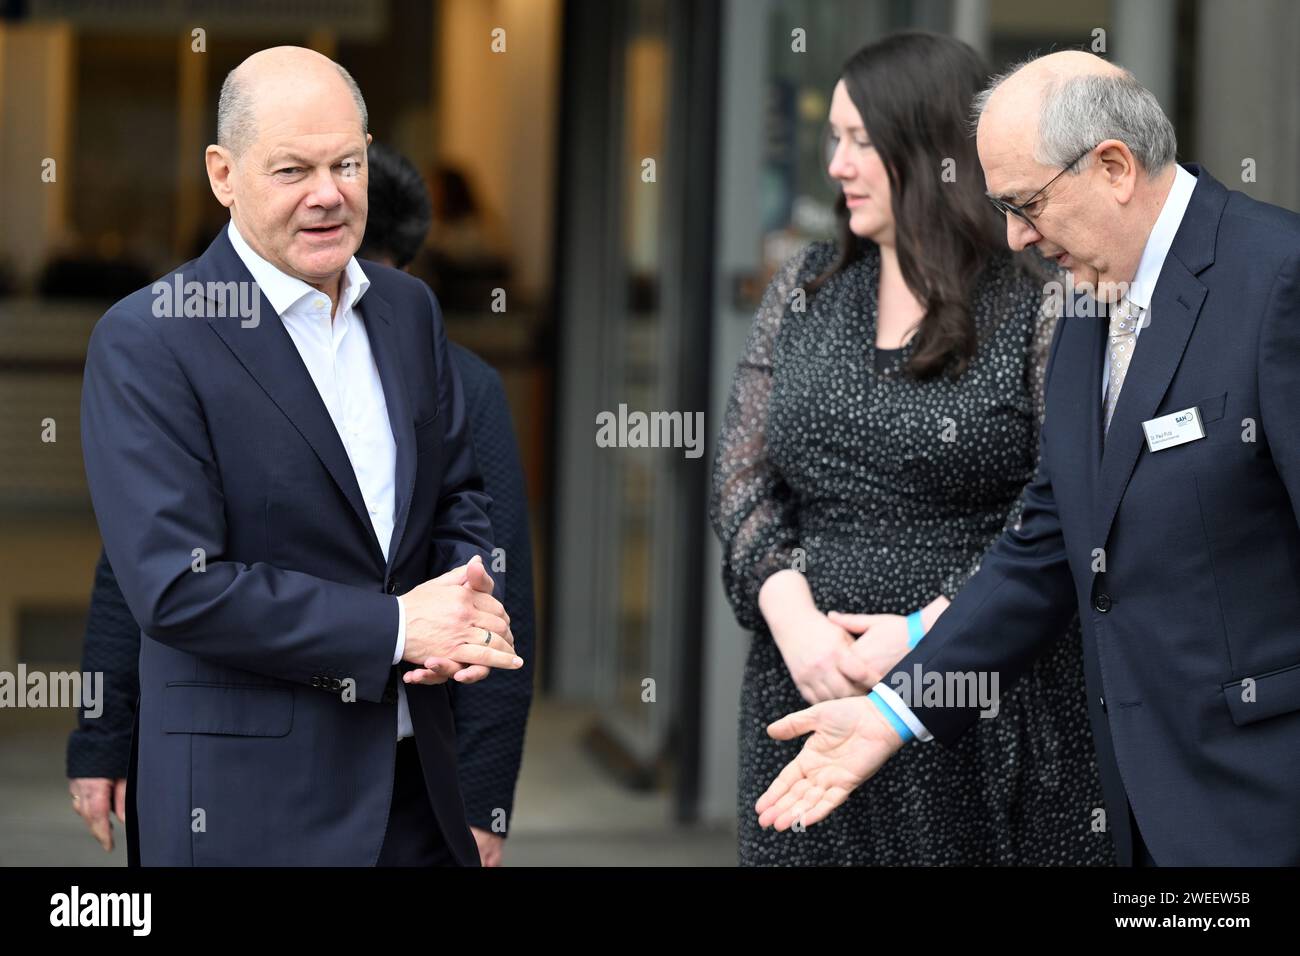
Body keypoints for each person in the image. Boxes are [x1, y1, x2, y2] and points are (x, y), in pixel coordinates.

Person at [757, 50, 1300, 867]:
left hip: (1264, 805)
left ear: (1113, 166)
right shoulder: (1088, 300)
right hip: (1137, 813)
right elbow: (1045, 543)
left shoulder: (1277, 279)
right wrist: (893, 713)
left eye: (1026, 203)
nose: (1017, 235)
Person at [79, 46, 523, 866]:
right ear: (223, 174)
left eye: (346, 164)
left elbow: (458, 491)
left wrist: (462, 599)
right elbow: (176, 587)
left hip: (415, 793)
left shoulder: (407, 309)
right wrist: (397, 626)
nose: (328, 194)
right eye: (292, 170)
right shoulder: (148, 339)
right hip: (246, 808)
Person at [711, 33, 1111, 866]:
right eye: (833, 139)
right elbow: (742, 476)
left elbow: (1066, 501)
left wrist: (929, 629)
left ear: (929, 153)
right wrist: (795, 622)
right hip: (806, 684)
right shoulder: (808, 286)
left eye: (861, 142)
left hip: (980, 697)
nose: (836, 166)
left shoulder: (1037, 302)